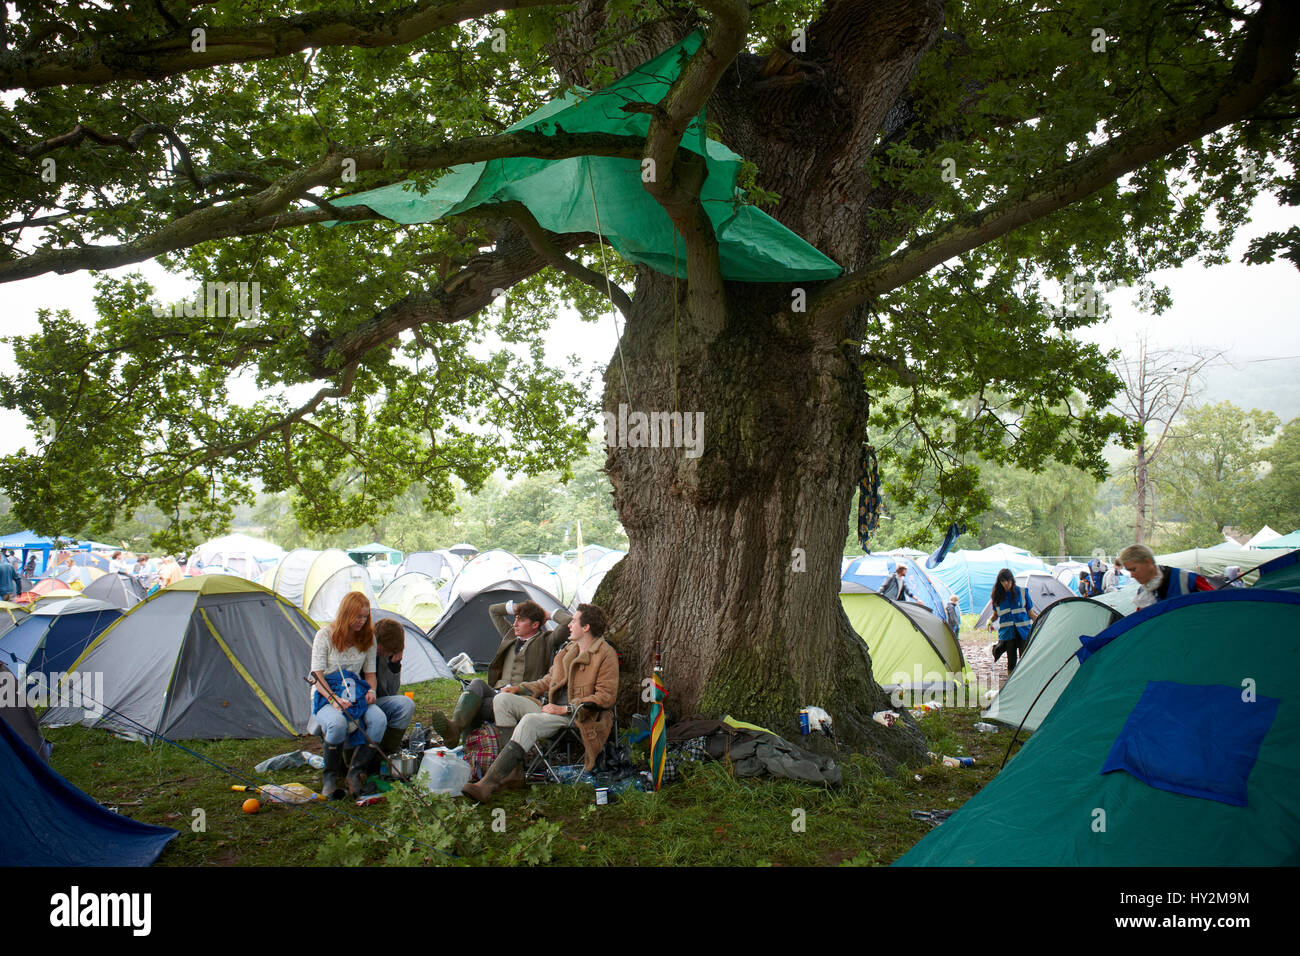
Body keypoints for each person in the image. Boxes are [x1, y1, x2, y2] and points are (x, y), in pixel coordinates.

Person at [463, 603, 618, 803]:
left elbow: (606, 696)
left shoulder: (605, 654)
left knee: (529, 721)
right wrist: (520, 688)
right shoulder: (568, 649)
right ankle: (514, 774)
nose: (569, 625)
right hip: (549, 707)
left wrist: (564, 708)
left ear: (586, 627)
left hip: (577, 715)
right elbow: (547, 680)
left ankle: (488, 784)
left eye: (574, 621)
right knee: (502, 700)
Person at [429, 599, 571, 746]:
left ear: (535, 625)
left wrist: (546, 614)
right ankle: (455, 727)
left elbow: (568, 622)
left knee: (477, 706)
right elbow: (494, 610)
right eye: (515, 619)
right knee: (476, 683)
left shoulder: (546, 640)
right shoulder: (510, 635)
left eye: (521, 620)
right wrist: (517, 609)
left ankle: (466, 744)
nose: (515, 624)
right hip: (498, 691)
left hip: (522, 696)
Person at [311, 591, 387, 799]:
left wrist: (371, 691)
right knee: (337, 724)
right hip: (327, 692)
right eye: (357, 617)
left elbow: (370, 675)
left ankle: (354, 773)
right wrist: (333, 700)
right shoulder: (325, 636)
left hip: (356, 693)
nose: (361, 622)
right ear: (345, 614)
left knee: (379, 720)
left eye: (365, 617)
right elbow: (316, 676)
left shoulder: (367, 638)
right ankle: (330, 777)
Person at [1118, 544, 1214, 610]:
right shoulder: (1142, 593)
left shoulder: (1187, 578)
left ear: (1148, 562)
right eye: (1129, 571)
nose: (1132, 575)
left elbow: (1217, 604)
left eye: (1133, 569)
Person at [371, 617, 415, 759]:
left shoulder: (386, 655)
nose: (382, 652)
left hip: (375, 701)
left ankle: (386, 754)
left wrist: (395, 664)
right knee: (376, 716)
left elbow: (391, 693)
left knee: (406, 704)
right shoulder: (363, 651)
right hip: (357, 702)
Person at [986, 568, 1039, 675]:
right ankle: (1011, 682)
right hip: (1008, 633)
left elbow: (1031, 613)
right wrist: (990, 621)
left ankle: (1026, 679)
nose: (1006, 583)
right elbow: (996, 614)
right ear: (1000, 582)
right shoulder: (997, 598)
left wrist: (1042, 621)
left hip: (1023, 632)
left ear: (1012, 580)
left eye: (1008, 580)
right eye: (1003, 581)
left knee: (1025, 659)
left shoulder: (1022, 592)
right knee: (1011, 660)